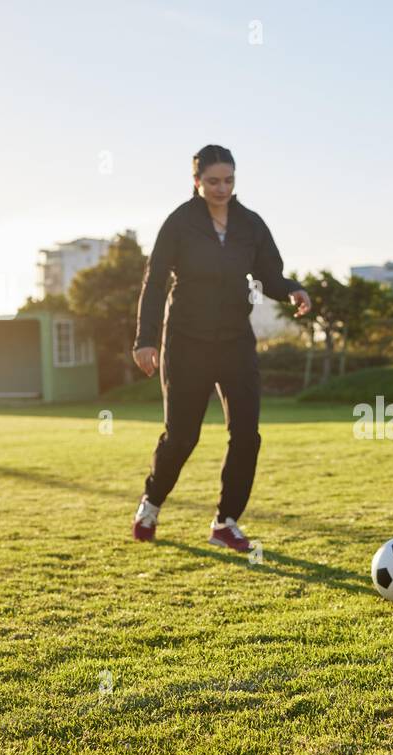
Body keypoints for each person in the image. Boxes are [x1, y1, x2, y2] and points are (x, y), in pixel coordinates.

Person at [130, 144, 310, 549]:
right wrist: (144, 340)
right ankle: (151, 503)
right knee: (181, 437)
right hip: (186, 342)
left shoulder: (250, 224)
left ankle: (225, 523)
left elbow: (269, 274)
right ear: (196, 181)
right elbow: (154, 282)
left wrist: (294, 290)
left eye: (228, 180)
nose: (221, 188)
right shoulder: (179, 223)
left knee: (247, 434)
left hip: (234, 342)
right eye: (212, 181)